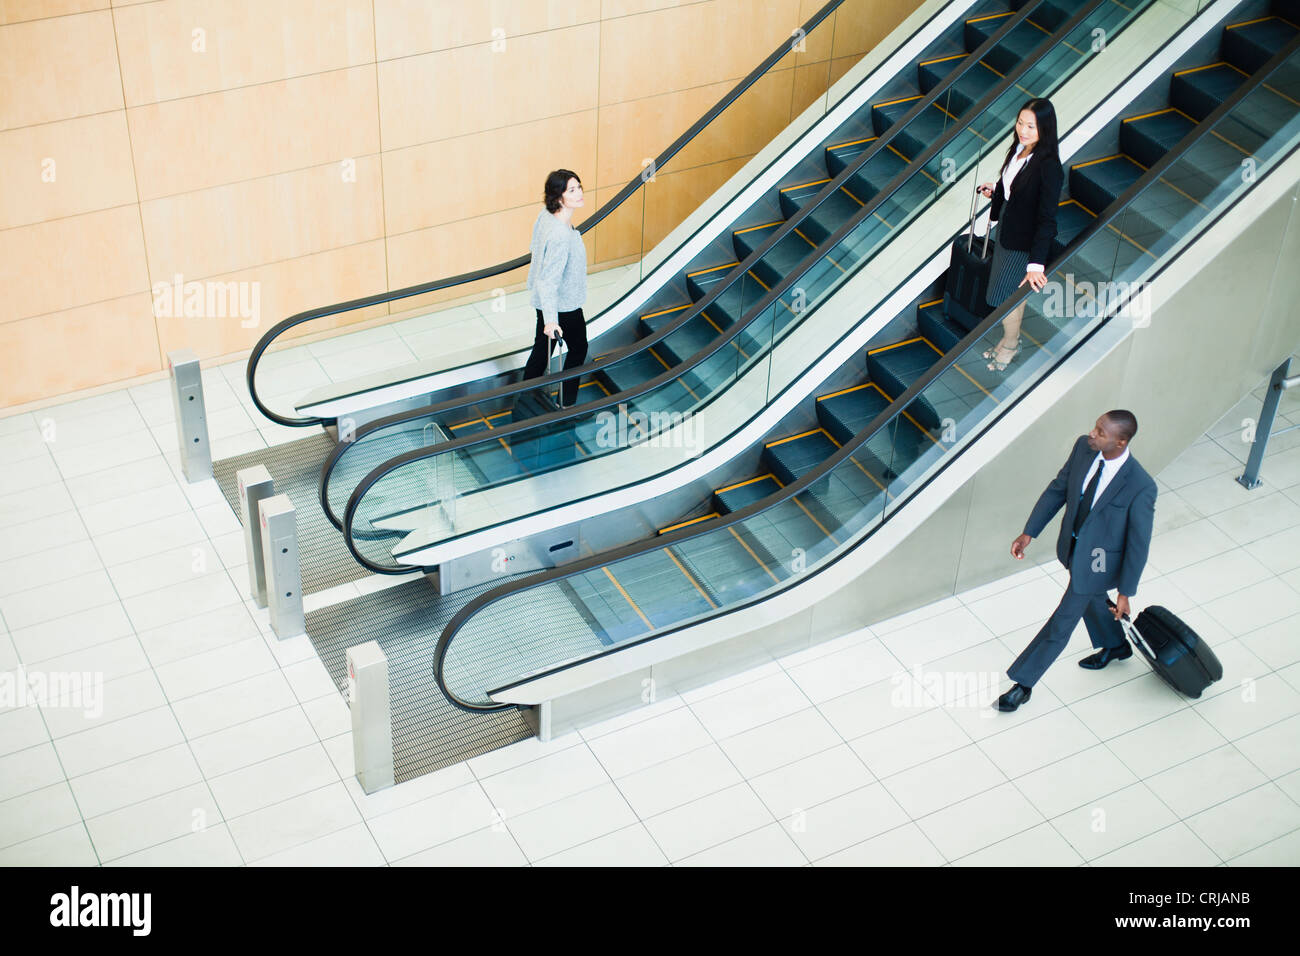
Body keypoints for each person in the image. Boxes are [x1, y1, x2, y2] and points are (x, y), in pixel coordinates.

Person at [995, 410, 1157, 713]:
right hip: (1071, 548)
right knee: (1092, 599)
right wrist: (1030, 532)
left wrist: (1125, 592)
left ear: (1120, 442)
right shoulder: (1085, 448)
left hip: (1099, 563)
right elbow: (1059, 488)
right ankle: (1116, 645)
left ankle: (1023, 684)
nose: (1092, 434)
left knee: (1062, 622)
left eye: (1101, 432)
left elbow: (1139, 543)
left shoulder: (1141, 485)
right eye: (1095, 427)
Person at [977, 98, 1063, 373]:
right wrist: (998, 192)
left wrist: (1036, 264)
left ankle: (1011, 345)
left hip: (1022, 244)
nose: (1023, 130)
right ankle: (1008, 340)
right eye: (1020, 123)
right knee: (1009, 296)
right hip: (1007, 231)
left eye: (1031, 126)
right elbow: (1011, 186)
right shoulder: (1019, 150)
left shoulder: (1049, 166)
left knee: (1006, 298)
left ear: (1045, 129)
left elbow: (1047, 218)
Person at [523, 169, 589, 408]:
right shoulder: (560, 235)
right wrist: (552, 320)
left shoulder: (546, 216)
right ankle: (566, 404)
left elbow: (535, 245)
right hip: (563, 306)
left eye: (579, 187)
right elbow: (549, 281)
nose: (579, 193)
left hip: (547, 302)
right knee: (579, 348)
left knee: (541, 352)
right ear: (559, 197)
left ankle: (524, 401)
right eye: (572, 190)